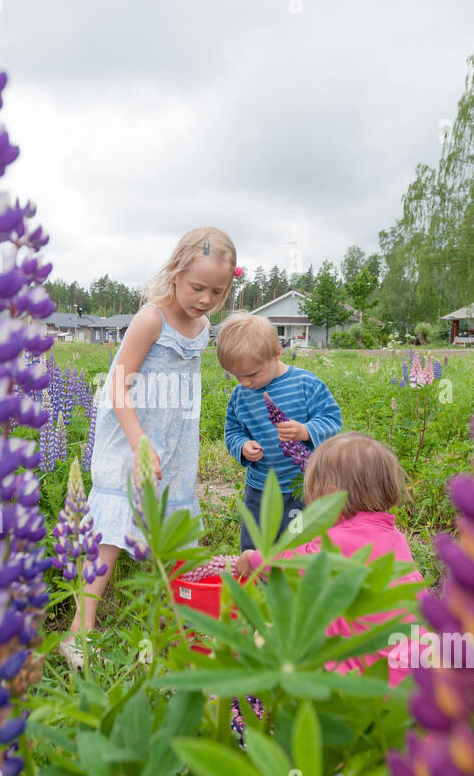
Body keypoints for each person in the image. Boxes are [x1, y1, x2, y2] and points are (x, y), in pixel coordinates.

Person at [63, 227, 239, 668]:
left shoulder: (202, 326)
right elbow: (119, 387)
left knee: (175, 528)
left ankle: (185, 623)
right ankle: (77, 633)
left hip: (175, 436)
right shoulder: (151, 318)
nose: (204, 299)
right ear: (176, 273)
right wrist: (140, 441)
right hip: (132, 433)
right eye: (197, 287)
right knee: (110, 533)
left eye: (217, 292)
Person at [234, 431, 423, 687]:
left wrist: (252, 559)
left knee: (280, 641)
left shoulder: (339, 542)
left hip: (374, 682)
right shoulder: (394, 536)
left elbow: (288, 565)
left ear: (331, 498)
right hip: (420, 676)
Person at [217, 312, 341, 551]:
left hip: (303, 485)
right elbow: (232, 431)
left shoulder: (306, 384)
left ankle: (296, 583)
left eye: (252, 374)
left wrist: (306, 431)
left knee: (301, 545)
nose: (244, 383)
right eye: (236, 376)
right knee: (256, 545)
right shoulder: (240, 395)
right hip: (260, 487)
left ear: (276, 354)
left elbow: (332, 420)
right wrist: (242, 446)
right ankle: (258, 584)